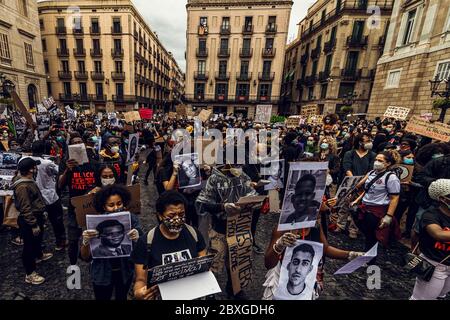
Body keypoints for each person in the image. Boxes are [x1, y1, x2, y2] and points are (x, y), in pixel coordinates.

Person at [263, 198, 365, 300]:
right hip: (280, 280)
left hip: (304, 286)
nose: (318, 219)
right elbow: (268, 263)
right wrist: (279, 245)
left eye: (319, 216)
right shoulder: (283, 228)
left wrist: (351, 255)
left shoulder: (315, 228)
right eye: (317, 215)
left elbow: (325, 249)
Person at [132, 191, 207, 300]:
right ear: (160, 216)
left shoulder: (194, 234)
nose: (177, 219)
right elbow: (140, 279)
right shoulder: (146, 242)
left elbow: (203, 265)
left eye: (181, 214)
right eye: (171, 215)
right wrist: (139, 293)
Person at [81, 185, 142, 300]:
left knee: (122, 296)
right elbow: (85, 257)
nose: (116, 208)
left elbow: (143, 250)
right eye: (111, 205)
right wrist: (86, 242)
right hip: (101, 273)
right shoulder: (94, 223)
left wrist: (138, 239)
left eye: (119, 203)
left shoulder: (132, 219)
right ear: (103, 206)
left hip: (125, 272)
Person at [12, 158, 53, 285]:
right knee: (28, 247)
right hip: (29, 220)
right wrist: (33, 224)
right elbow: (25, 208)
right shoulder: (22, 186)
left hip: (36, 216)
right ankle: (30, 274)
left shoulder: (28, 181)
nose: (36, 169)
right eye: (35, 167)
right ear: (31, 169)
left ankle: (39, 255)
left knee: (37, 240)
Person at [58, 134, 98, 265]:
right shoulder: (66, 163)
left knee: (94, 236)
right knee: (73, 240)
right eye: (74, 142)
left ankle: (93, 260)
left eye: (80, 141)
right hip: (74, 208)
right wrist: (67, 170)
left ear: (84, 144)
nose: (77, 144)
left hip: (92, 205)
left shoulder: (93, 159)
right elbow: (60, 184)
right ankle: (73, 265)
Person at [352, 150, 402, 251]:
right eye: (376, 160)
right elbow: (366, 189)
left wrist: (388, 216)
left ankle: (370, 261)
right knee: (367, 234)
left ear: (388, 163)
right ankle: (366, 255)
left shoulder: (391, 178)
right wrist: (357, 199)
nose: (376, 162)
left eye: (380, 160)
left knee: (372, 237)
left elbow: (394, 198)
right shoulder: (371, 173)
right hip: (365, 207)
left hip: (377, 211)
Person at [409, 179, 450, 300]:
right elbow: (438, 234)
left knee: (441, 296)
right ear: (443, 199)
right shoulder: (430, 216)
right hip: (435, 266)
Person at [26, 141, 67, 251]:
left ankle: (39, 249)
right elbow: (59, 172)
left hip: (33, 198)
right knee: (57, 221)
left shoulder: (24, 160)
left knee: (38, 224)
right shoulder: (46, 163)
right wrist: (57, 157)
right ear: (45, 150)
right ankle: (60, 243)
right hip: (50, 197)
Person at [336, 133, 376, 239]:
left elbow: (371, 171)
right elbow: (347, 167)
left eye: (369, 141)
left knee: (357, 208)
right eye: (366, 141)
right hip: (349, 183)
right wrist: (354, 181)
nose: (369, 143)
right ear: (360, 142)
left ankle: (353, 229)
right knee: (344, 205)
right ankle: (340, 225)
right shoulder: (350, 153)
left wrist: (360, 183)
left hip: (364, 184)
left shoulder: (372, 155)